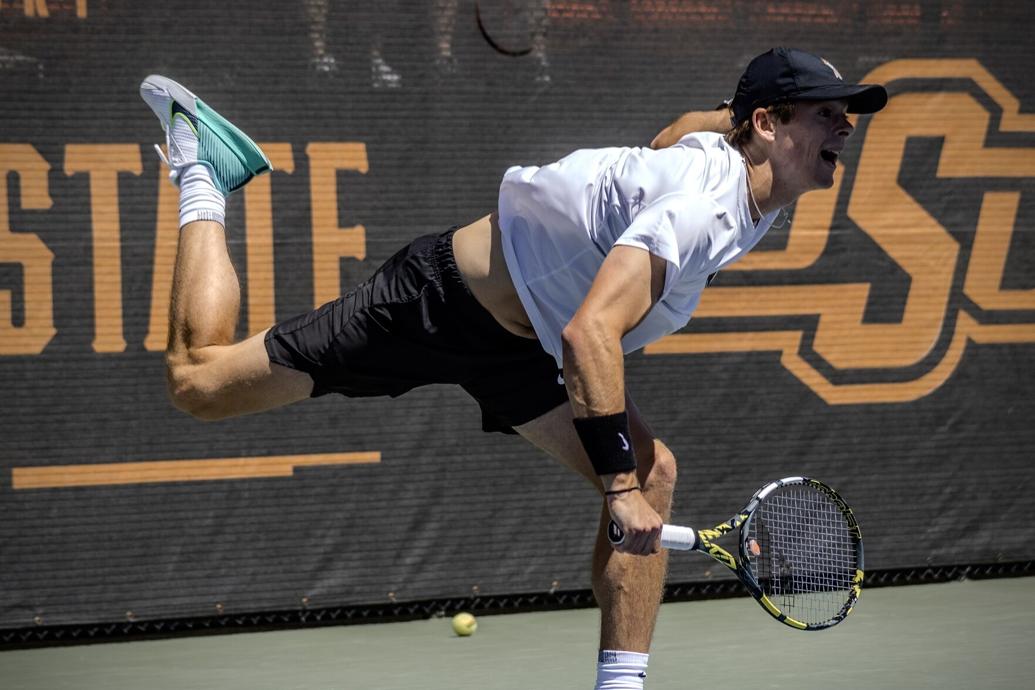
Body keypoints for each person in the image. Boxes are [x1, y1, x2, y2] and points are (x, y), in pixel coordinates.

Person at [139, 47, 886, 689]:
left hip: (520, 350)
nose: (844, 126)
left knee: (656, 471)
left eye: (846, 114)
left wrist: (631, 485)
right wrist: (616, 491)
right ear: (767, 124)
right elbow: (590, 330)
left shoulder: (741, 177)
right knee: (197, 384)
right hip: (438, 303)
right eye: (825, 112)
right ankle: (204, 170)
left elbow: (673, 133)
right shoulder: (704, 206)